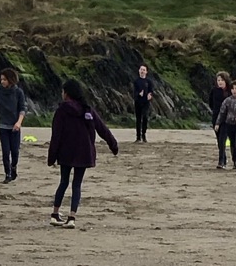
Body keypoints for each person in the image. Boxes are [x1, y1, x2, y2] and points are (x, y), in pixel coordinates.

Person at [48, 77, 119, 226]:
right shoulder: (88, 109)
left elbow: (56, 135)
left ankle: (55, 214)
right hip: (84, 151)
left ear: (67, 93)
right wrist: (113, 145)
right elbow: (102, 129)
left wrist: (51, 157)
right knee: (77, 184)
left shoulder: (62, 110)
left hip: (66, 151)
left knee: (63, 182)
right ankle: (71, 217)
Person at [0, 67, 28, 182]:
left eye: (4, 79)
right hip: (3, 126)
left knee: (15, 151)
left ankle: (13, 167)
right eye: (1, 79)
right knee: (5, 152)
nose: (2, 81)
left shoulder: (18, 92)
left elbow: (22, 109)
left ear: (11, 80)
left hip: (15, 127)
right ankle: (7, 174)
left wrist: (19, 122)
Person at [216, 78, 236, 172]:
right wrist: (218, 123)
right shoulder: (227, 101)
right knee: (232, 144)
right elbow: (222, 113)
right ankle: (234, 161)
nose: (234, 90)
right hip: (229, 124)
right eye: (233, 88)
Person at [208, 71, 231, 162]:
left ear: (226, 80)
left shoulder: (229, 91)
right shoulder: (214, 90)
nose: (220, 82)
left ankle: (221, 160)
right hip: (216, 118)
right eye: (218, 80)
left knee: (222, 139)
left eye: (222, 80)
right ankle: (223, 157)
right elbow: (211, 103)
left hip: (227, 119)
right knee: (219, 140)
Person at [132, 61, 156, 142]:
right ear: (139, 71)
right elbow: (134, 92)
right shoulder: (136, 81)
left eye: (144, 70)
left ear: (146, 72)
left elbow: (151, 90)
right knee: (138, 119)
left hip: (146, 102)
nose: (142, 71)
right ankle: (138, 137)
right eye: (141, 69)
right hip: (138, 101)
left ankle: (144, 135)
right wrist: (139, 94)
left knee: (145, 117)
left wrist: (150, 94)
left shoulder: (149, 81)